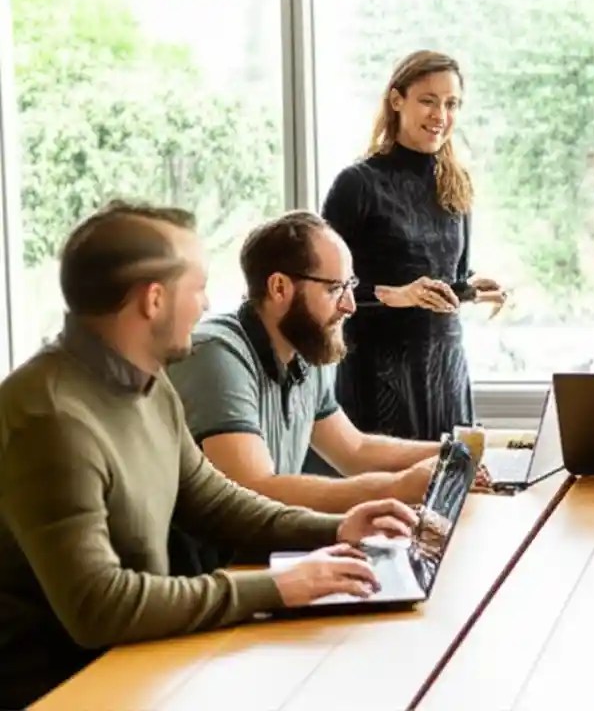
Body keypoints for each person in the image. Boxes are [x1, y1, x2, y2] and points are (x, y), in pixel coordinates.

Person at [0, 200, 420, 709]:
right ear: (153, 300)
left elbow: (216, 502)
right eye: (196, 288)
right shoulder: (50, 417)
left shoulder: (148, 386)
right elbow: (99, 607)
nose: (205, 305)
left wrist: (336, 529)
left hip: (139, 666)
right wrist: (275, 588)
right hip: (62, 689)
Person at [167, 211, 452, 517]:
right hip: (212, 564)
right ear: (279, 288)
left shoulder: (304, 347)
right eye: (334, 289)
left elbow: (354, 450)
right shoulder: (216, 356)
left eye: (349, 286)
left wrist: (456, 454)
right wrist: (396, 488)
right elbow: (254, 489)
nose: (350, 305)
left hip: (262, 553)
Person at [321, 49, 505, 444]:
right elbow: (321, 290)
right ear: (396, 100)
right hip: (378, 375)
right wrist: (395, 296)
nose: (441, 115)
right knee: (388, 500)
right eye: (428, 100)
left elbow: (443, 283)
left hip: (447, 372)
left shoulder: (456, 185)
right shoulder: (357, 184)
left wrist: (470, 289)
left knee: (453, 496)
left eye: (451, 103)